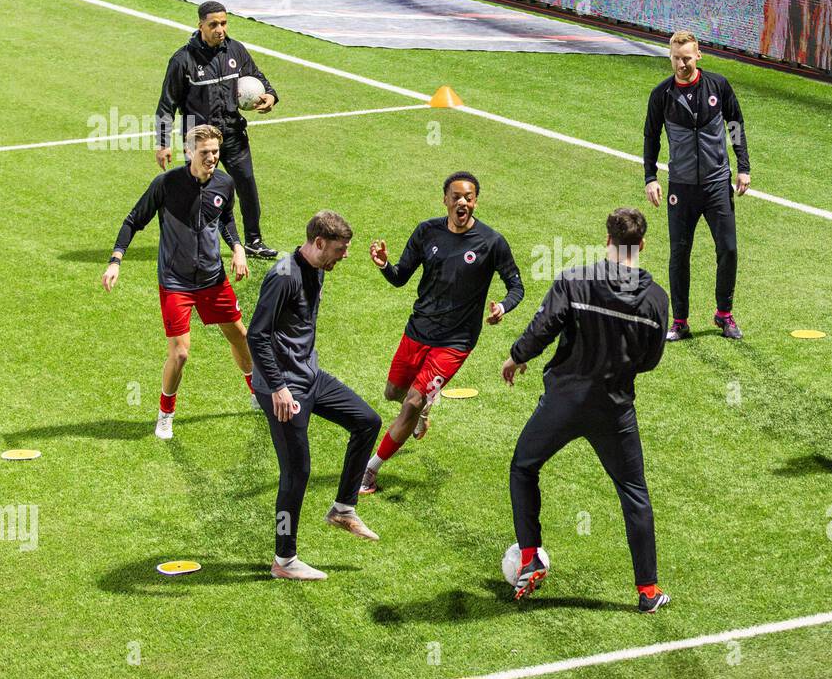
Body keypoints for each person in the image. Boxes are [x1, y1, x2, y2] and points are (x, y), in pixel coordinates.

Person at [502, 207, 671, 613]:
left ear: (607, 240)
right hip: (614, 408)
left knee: (524, 467)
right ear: (642, 245)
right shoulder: (656, 299)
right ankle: (647, 591)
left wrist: (517, 356)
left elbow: (545, 325)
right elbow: (651, 359)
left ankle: (529, 558)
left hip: (563, 401)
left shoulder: (576, 281)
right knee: (633, 493)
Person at [360, 172, 524, 494]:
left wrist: (502, 307)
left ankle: (369, 471)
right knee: (393, 393)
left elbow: (516, 285)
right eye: (456, 196)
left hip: (456, 341)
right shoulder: (427, 231)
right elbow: (400, 277)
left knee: (411, 400)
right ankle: (423, 409)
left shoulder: (491, 242)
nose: (462, 202)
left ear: (475, 201)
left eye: (469, 197)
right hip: (418, 329)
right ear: (445, 200)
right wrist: (384, 265)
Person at [248, 211, 383, 581]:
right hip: (282, 387)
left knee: (367, 420)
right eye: (340, 250)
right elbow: (256, 335)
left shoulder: (319, 268)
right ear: (319, 243)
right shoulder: (283, 277)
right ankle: (284, 560)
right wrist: (277, 387)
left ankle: (343, 508)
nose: (345, 256)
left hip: (309, 377)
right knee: (296, 471)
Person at [101, 124, 253, 441]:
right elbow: (133, 220)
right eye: (205, 152)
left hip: (213, 278)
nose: (212, 157)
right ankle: (165, 415)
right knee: (180, 353)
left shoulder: (225, 183)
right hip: (176, 282)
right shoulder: (167, 184)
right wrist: (116, 260)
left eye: (215, 152)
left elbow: (225, 217)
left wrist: (237, 247)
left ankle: (256, 391)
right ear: (188, 152)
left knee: (240, 335)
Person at [643, 30, 750, 341]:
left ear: (698, 55)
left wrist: (743, 168)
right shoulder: (661, 95)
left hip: (718, 184)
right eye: (676, 58)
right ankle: (679, 321)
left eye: (687, 58)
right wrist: (651, 177)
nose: (681, 64)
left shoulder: (719, 85)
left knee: (728, 249)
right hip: (681, 187)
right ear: (670, 57)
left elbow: (735, 125)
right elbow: (651, 137)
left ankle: (724, 314)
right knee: (679, 253)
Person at [154, 0, 280, 260]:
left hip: (232, 133)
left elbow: (259, 78)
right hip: (199, 139)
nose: (220, 29)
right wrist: (163, 142)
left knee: (246, 185)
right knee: (197, 192)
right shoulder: (183, 60)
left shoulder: (236, 51)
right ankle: (186, 242)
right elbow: (166, 103)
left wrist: (270, 96)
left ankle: (254, 241)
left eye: (223, 23)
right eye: (213, 24)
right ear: (200, 25)